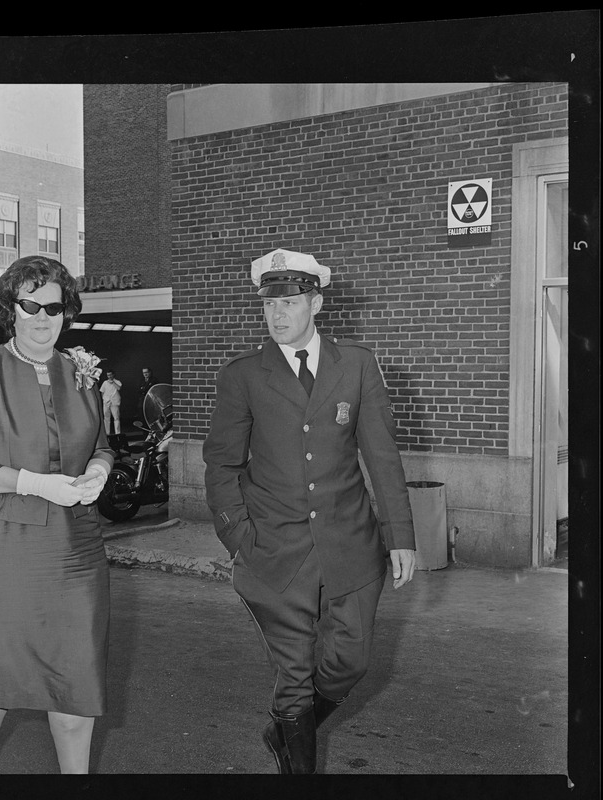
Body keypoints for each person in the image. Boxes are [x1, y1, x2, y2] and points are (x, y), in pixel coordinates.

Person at [203, 248, 416, 774]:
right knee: (294, 674)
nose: (278, 314)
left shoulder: (358, 366)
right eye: (269, 303)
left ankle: (284, 727)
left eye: (291, 301)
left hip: (351, 543)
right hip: (274, 550)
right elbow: (221, 465)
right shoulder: (243, 376)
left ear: (316, 302)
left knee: (352, 661)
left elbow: (382, 457)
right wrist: (238, 538)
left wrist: (402, 536)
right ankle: (295, 747)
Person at [0, 255, 114, 774]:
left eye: (55, 307)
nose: (43, 316)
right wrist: (35, 483)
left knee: (76, 690)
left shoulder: (80, 371)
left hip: (75, 554)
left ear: (67, 313)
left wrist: (99, 472)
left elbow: (101, 444)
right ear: (10, 309)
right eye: (31, 304)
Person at [99, 369, 122, 435]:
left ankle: (118, 433)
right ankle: (107, 433)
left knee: (116, 417)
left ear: (113, 375)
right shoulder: (105, 382)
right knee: (106, 418)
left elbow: (119, 388)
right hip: (106, 402)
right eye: (108, 375)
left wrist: (113, 382)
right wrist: (104, 399)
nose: (109, 376)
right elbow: (102, 391)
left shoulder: (117, 381)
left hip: (114, 402)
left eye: (110, 375)